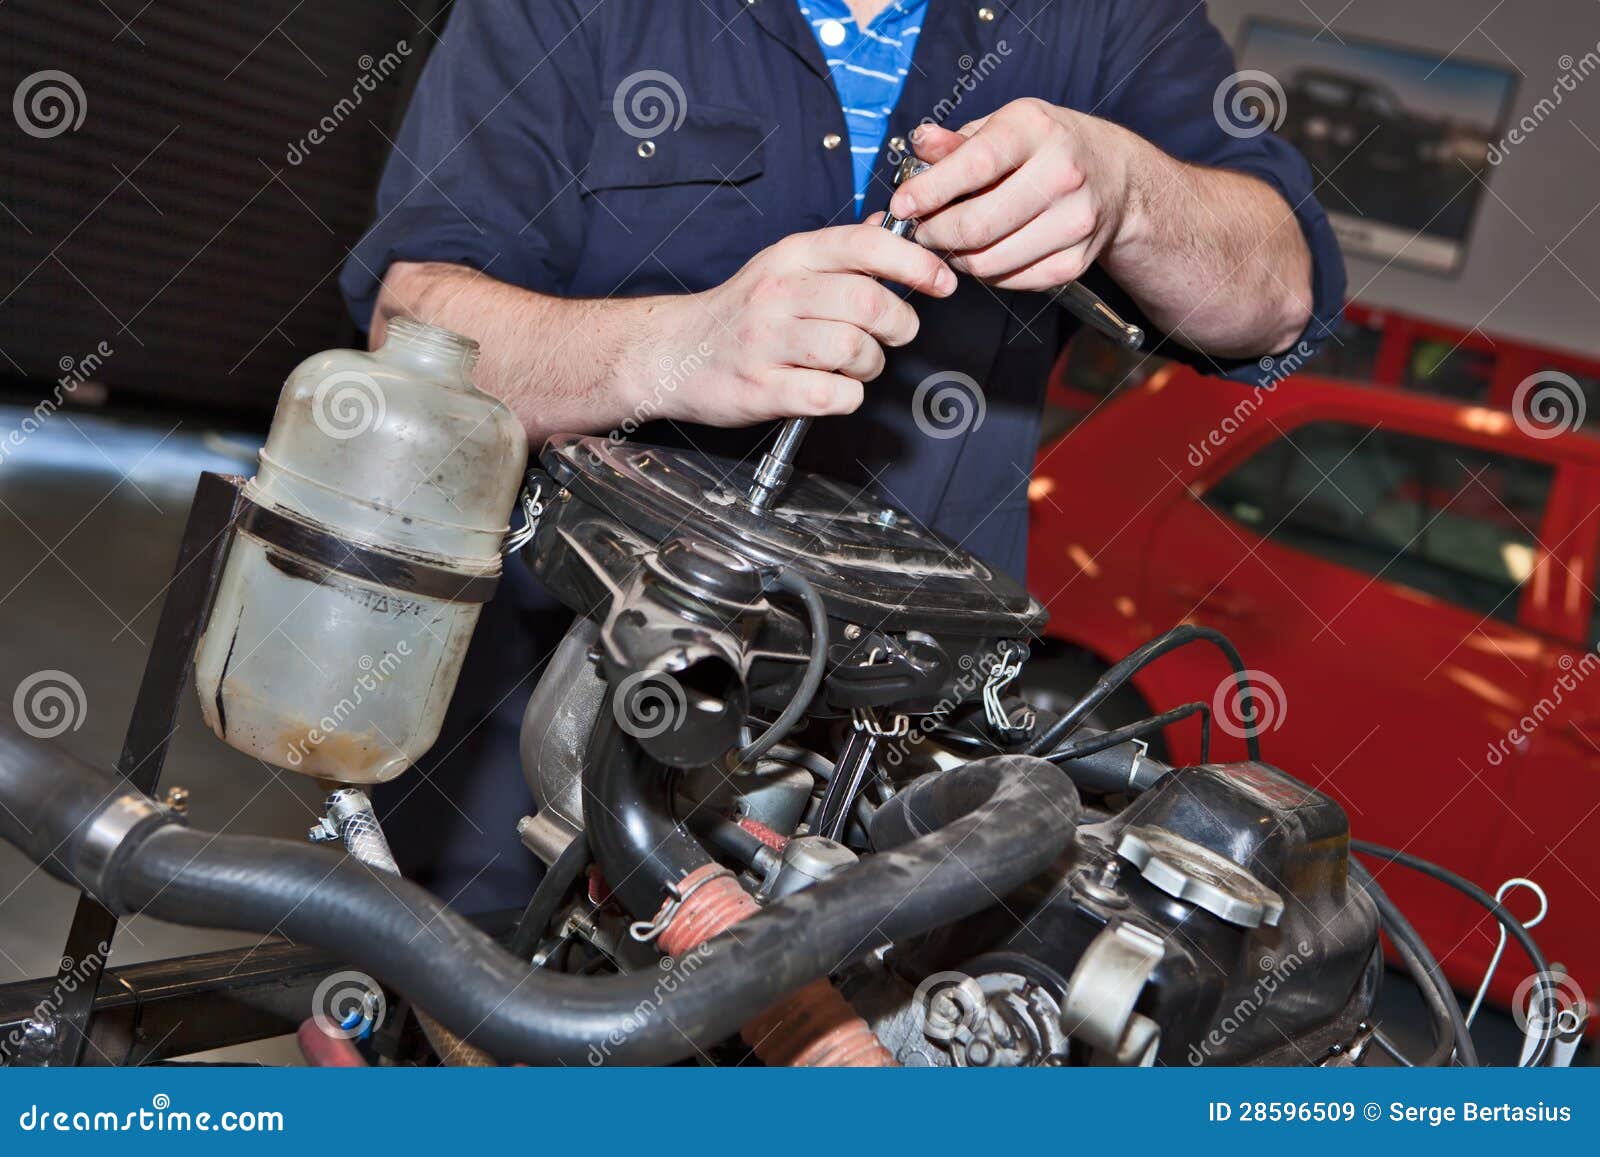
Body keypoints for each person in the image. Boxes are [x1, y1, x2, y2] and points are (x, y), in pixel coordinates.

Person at [339, 0, 1346, 910]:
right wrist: (675, 348)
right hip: (537, 729)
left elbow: (1275, 293)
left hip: (889, 784)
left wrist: (1125, 189)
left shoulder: (1098, 18)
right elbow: (413, 320)